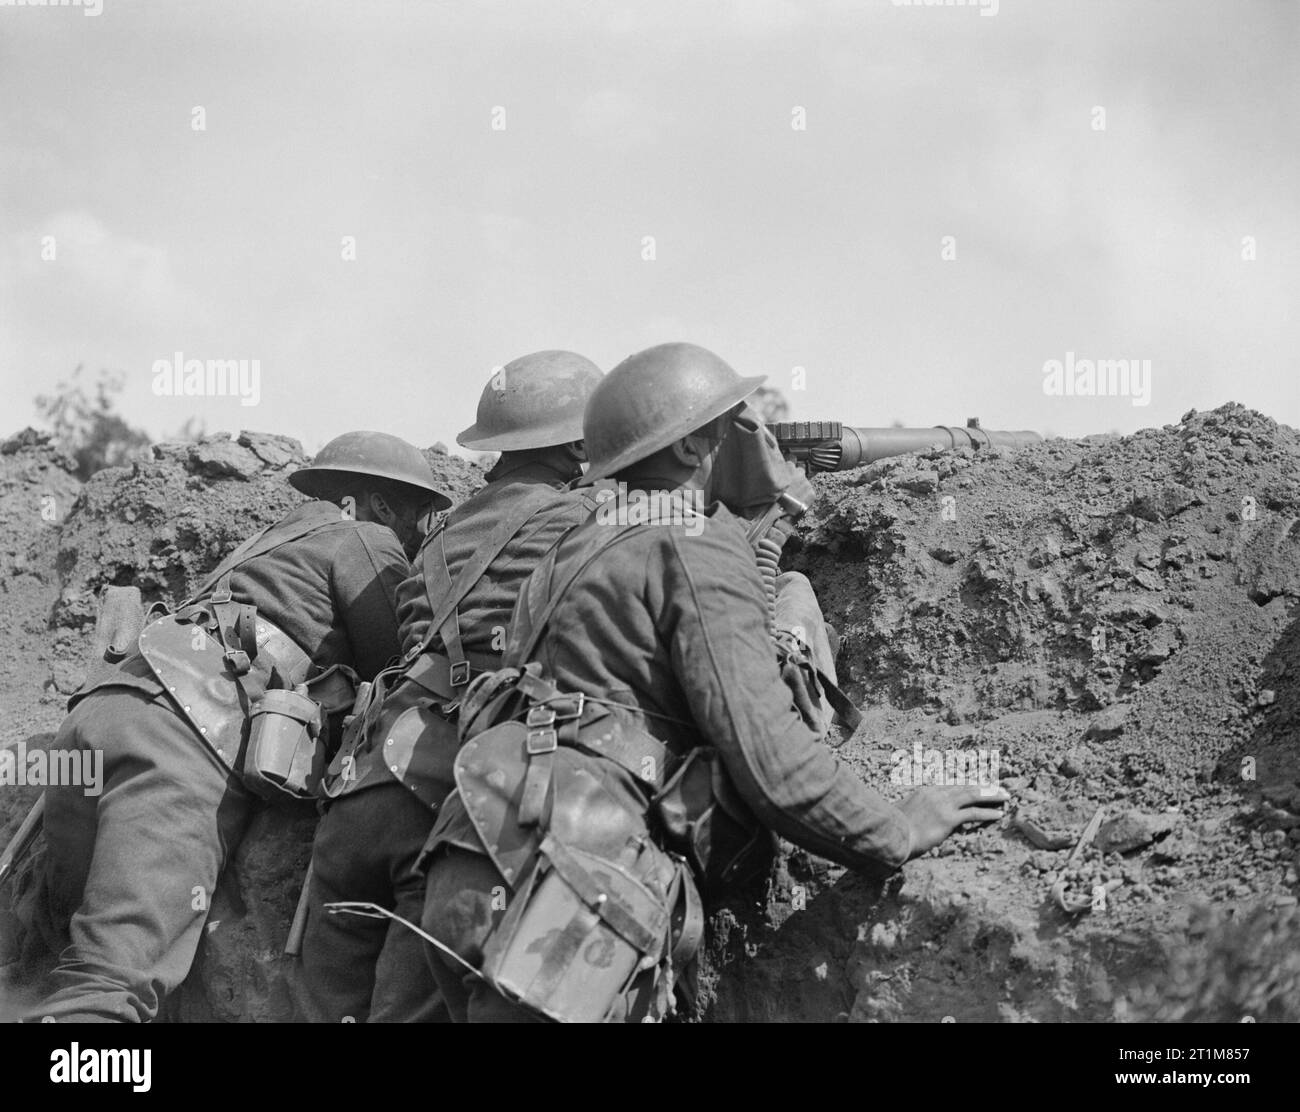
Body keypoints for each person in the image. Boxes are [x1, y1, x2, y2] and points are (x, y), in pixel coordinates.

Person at [418, 342, 1009, 1022]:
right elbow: (769, 755)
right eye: (736, 423)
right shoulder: (690, 540)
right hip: (574, 877)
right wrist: (893, 830)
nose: (749, 437)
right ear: (693, 442)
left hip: (476, 852)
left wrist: (759, 518)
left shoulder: (579, 541)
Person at [21, 431, 444, 1022]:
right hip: (181, 731)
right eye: (420, 515)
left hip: (104, 710)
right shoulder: (366, 538)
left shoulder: (266, 544)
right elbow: (395, 665)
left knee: (46, 945)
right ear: (379, 504)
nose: (419, 531)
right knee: (111, 982)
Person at [297, 351, 603, 1022]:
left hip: (359, 791)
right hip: (442, 796)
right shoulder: (584, 520)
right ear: (581, 442)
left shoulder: (434, 542)